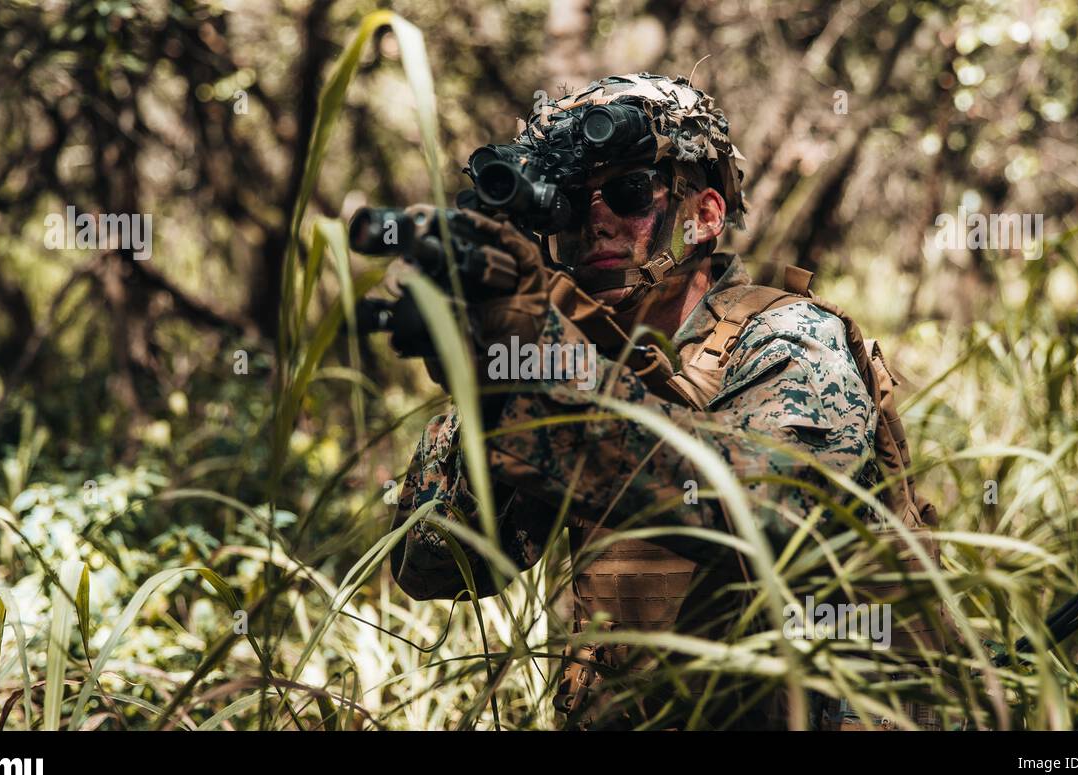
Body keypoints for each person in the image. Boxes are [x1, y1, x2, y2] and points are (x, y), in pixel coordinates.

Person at [386, 73, 930, 729]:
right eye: (570, 200)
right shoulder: (575, 359)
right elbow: (435, 566)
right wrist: (491, 399)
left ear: (703, 215)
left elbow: (777, 529)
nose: (595, 221)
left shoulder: (793, 339)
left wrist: (563, 388)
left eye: (628, 192)